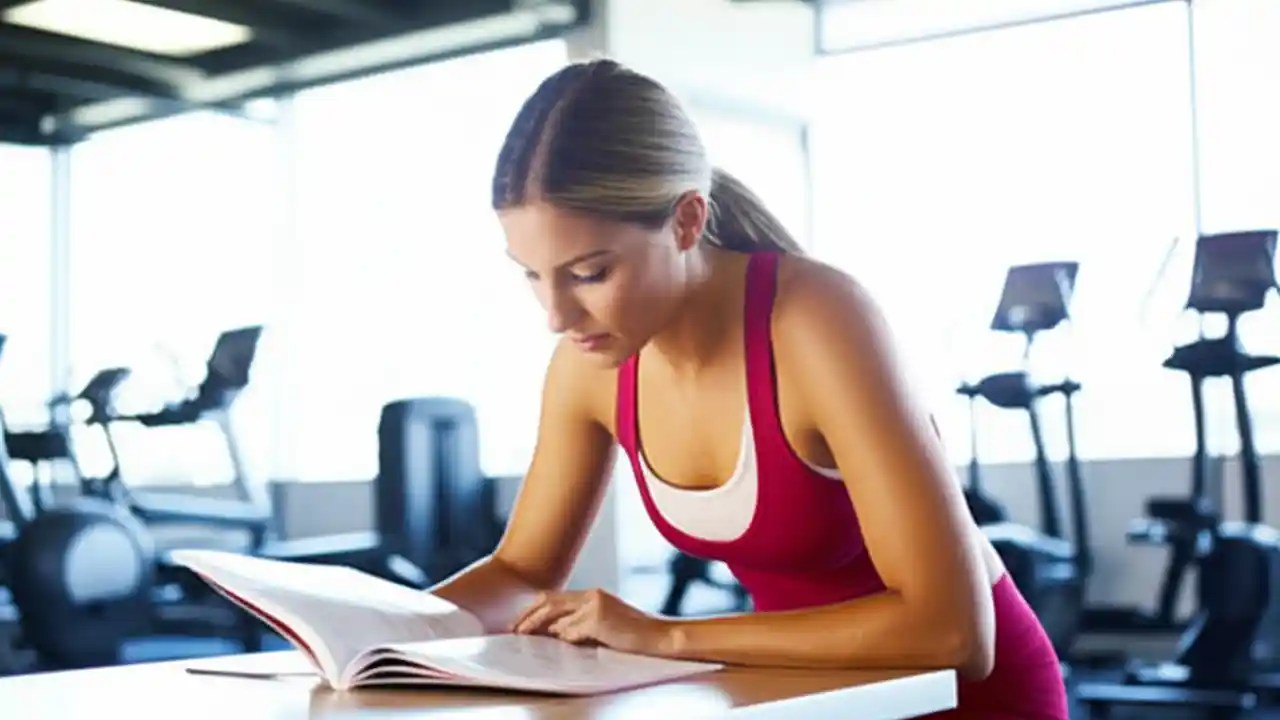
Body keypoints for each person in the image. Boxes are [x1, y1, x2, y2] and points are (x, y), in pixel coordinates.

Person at [430, 58, 1070, 719]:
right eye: (533, 276)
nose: (557, 316)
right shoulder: (588, 364)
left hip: (970, 702)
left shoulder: (815, 321)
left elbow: (955, 632)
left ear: (684, 222)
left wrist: (666, 637)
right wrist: (372, 634)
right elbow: (521, 575)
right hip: (814, 698)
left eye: (589, 273)